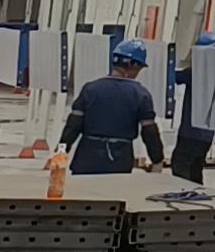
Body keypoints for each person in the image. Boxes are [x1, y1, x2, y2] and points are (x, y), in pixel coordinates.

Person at [59, 39, 165, 175]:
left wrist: (61, 152)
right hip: (119, 161)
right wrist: (157, 160)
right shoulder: (141, 95)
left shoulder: (90, 89)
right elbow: (150, 133)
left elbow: (72, 126)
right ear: (133, 65)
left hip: (86, 159)